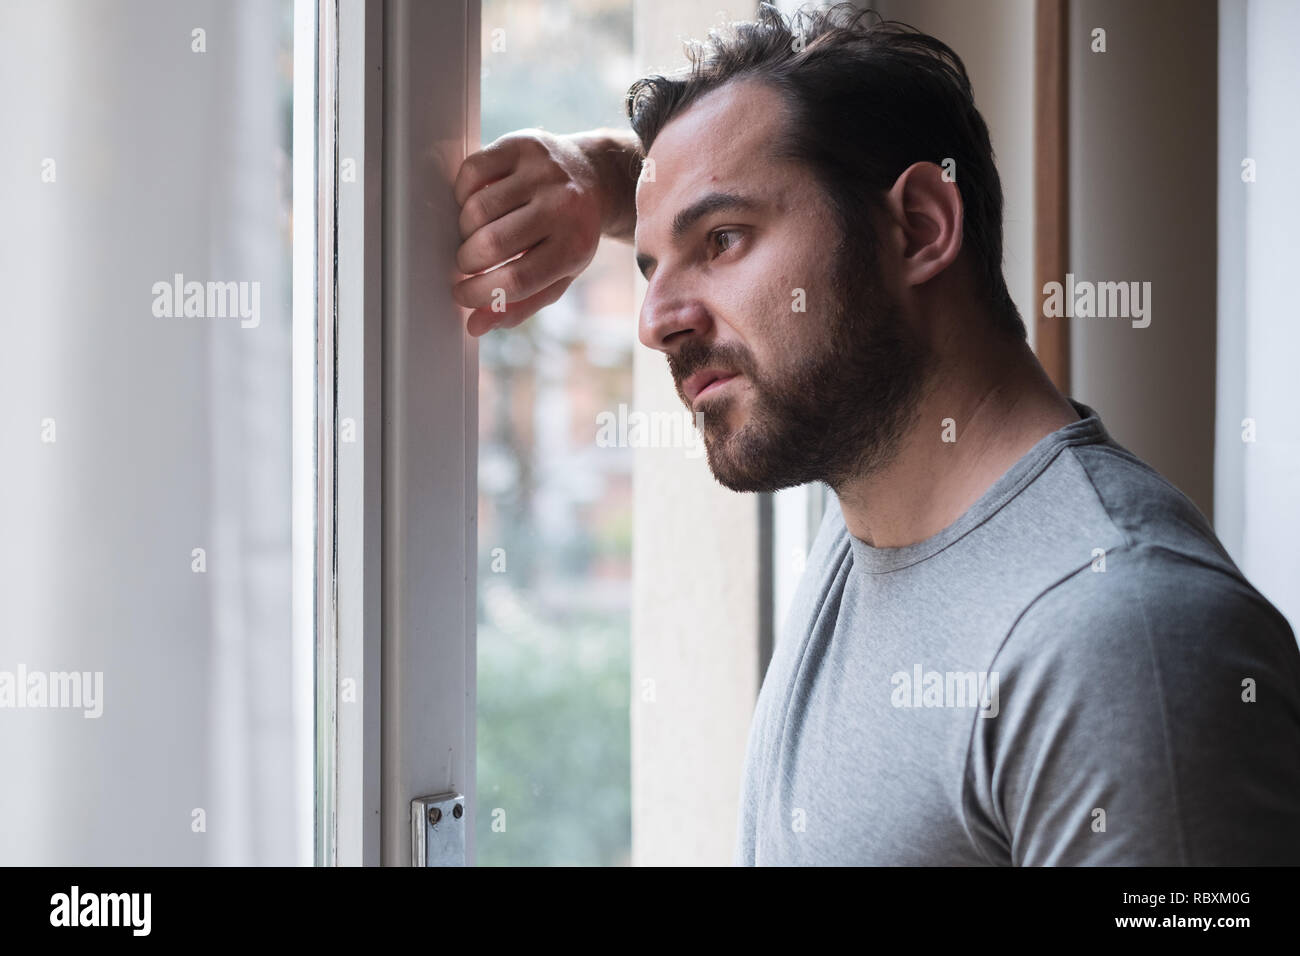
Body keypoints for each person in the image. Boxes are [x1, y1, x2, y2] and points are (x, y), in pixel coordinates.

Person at [452, 2, 1300, 865]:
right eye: (652, 266)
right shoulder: (878, 468)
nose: (655, 322)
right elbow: (752, 179)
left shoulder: (1121, 645)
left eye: (722, 240)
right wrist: (595, 182)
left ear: (920, 228)